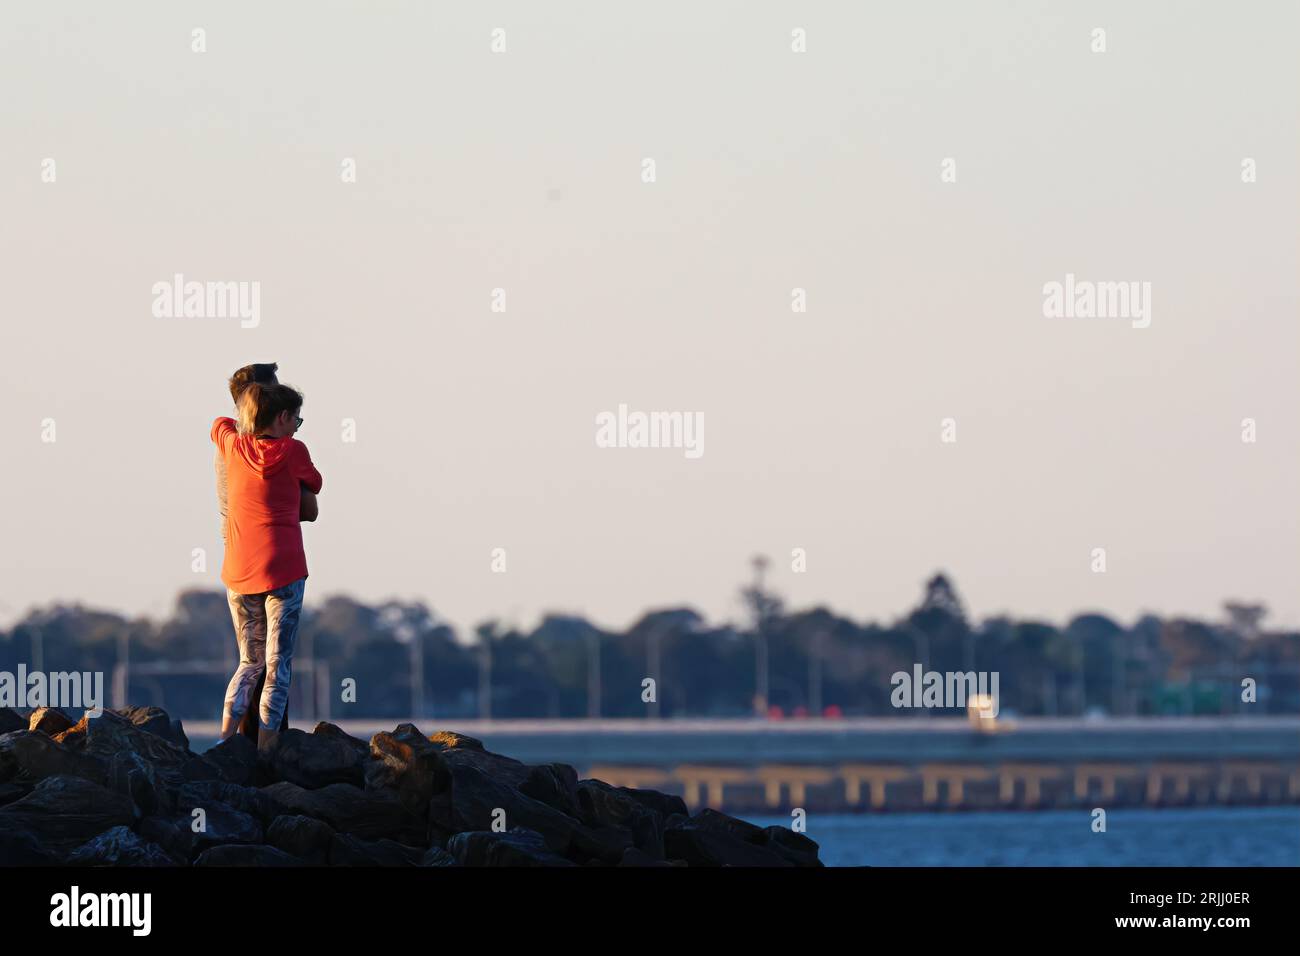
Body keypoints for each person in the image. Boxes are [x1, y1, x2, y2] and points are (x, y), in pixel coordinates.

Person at [213, 382, 322, 752]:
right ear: (282, 417)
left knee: (248, 663)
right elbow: (316, 485)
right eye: (296, 419)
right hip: (284, 568)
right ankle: (267, 749)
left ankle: (224, 742)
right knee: (278, 667)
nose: (296, 426)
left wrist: (247, 412)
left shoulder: (233, 445)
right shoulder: (294, 451)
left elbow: (219, 424)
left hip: (240, 571)